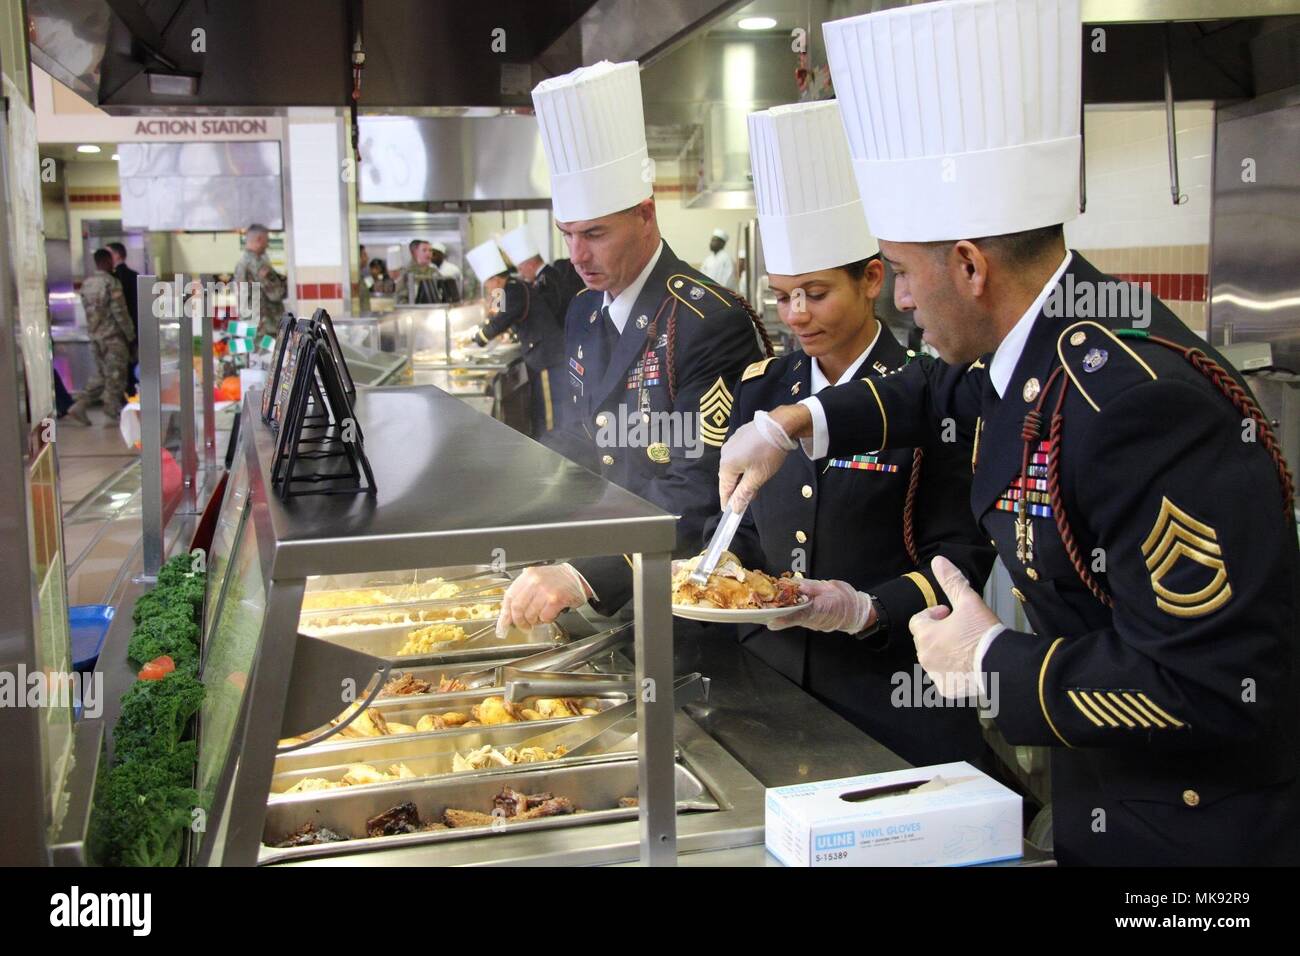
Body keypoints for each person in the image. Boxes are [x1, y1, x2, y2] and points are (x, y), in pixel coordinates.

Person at [718, 0, 1300, 866]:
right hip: (1105, 797)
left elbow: (1212, 685)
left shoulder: (1137, 405)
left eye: (906, 274)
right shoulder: (1027, 344)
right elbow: (922, 393)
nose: (901, 300)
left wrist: (993, 660)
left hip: (1201, 834)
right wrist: (793, 421)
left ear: (968, 265)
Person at [702, 99, 996, 768]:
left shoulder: (930, 391)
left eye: (815, 291)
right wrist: (722, 579)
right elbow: (741, 530)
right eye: (781, 296)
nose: (797, 315)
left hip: (891, 693)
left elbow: (962, 559)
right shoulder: (764, 389)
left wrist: (863, 609)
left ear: (871, 280)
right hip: (769, 687)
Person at [496, 59, 767, 633]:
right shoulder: (583, 310)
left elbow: (701, 484)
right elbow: (583, 433)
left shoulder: (706, 321)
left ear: (646, 215)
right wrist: (516, 486)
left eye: (595, 234)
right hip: (606, 587)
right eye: (567, 234)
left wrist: (587, 572)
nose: (577, 256)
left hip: (685, 596)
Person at [472, 230, 567, 437]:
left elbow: (501, 319)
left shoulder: (513, 290)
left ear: (496, 279)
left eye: (488, 284)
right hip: (540, 353)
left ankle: (553, 448)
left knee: (548, 410)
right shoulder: (512, 287)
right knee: (540, 407)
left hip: (545, 355)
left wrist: (479, 338)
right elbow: (498, 313)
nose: (488, 289)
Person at [67, 248, 135, 425]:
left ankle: (80, 404)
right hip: (112, 336)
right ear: (107, 262)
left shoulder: (87, 284)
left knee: (102, 374)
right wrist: (130, 335)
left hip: (95, 336)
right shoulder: (111, 283)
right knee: (116, 374)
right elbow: (119, 312)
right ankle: (111, 413)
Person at [232, 223, 287, 341]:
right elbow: (276, 294)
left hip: (250, 325)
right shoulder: (258, 264)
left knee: (255, 358)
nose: (267, 244)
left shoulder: (241, 263)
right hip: (266, 328)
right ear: (259, 239)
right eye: (267, 240)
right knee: (269, 358)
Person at [106, 242, 140, 389]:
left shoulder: (113, 279)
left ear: (117, 255)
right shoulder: (135, 276)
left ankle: (127, 399)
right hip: (136, 326)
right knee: (133, 364)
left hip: (120, 330)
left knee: (121, 368)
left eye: (109, 254)